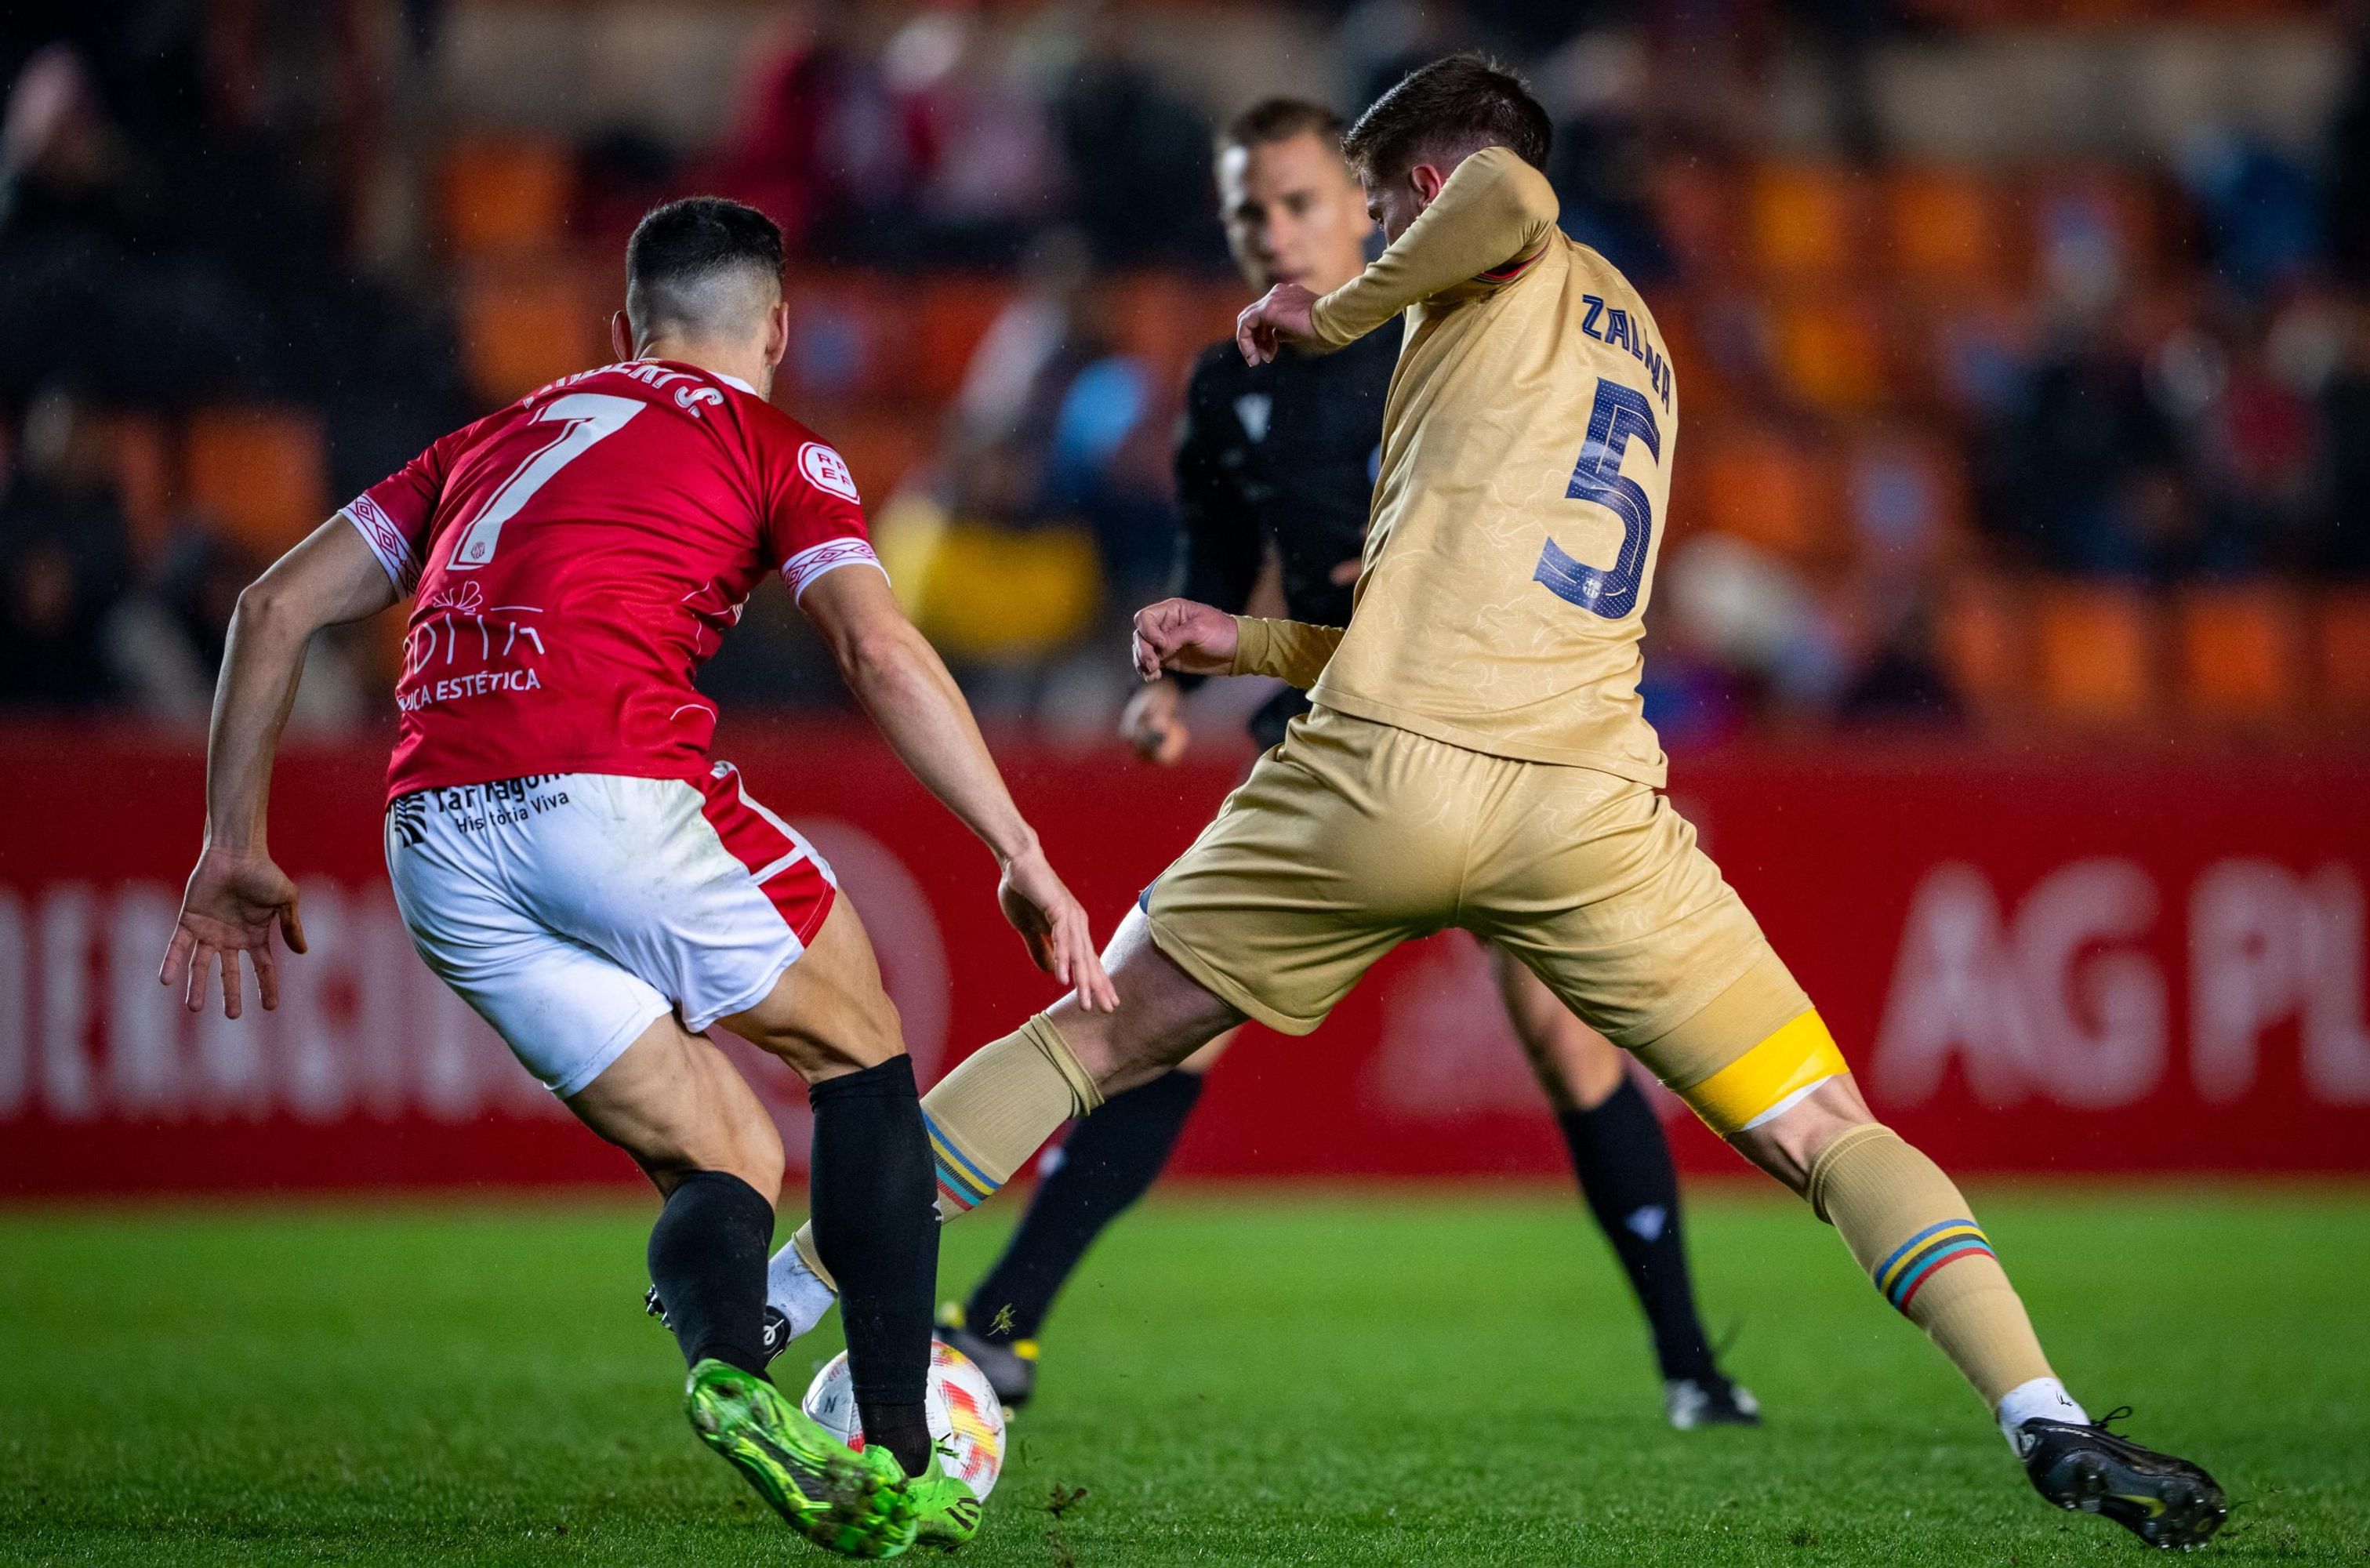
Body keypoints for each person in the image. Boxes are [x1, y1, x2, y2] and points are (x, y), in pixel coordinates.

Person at [910, 57, 2227, 1549]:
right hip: (1583, 810)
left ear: (1416, 192)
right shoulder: (1635, 344)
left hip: (1384, 774)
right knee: (1824, 1125)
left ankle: (786, 1293)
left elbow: (1513, 184)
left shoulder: (1502, 241)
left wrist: (1329, 309)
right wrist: (1249, 644)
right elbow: (1461, 606)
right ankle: (2042, 1415)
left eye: (1374, 201)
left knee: (1095, 1038)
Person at [759, 96, 1757, 1431]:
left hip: (1492, 718)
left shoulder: (1445, 321)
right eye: (1249, 211)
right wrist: (1173, 680)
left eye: (1297, 201)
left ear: (1368, 204)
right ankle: (1005, 1328)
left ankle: (1691, 1360)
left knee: (1567, 1047)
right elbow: (1219, 561)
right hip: (1335, 717)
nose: (1273, 230)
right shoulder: (1235, 383)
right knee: (1158, 1031)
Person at [155, 197, 1115, 1557]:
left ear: (623, 328)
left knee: (718, 1150)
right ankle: (902, 1455)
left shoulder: (493, 437)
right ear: (778, 328)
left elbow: (273, 608)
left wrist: (231, 846)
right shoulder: (773, 440)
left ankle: (729, 1366)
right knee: (861, 1050)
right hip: (603, 780)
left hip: (432, 832)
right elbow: (876, 651)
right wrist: (1017, 846)